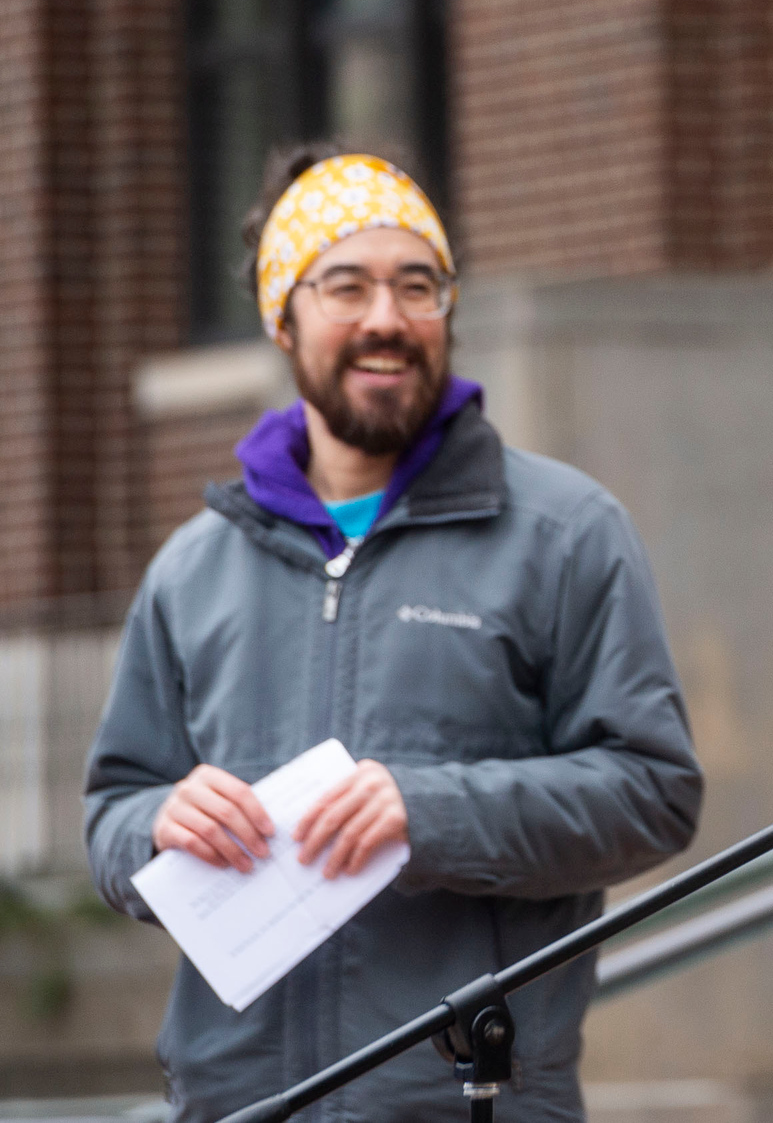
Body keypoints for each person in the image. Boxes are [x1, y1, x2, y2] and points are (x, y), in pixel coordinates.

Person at [85, 148, 704, 1122]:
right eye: (346, 285)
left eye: (418, 285)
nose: (386, 317)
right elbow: (111, 809)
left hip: (471, 1104)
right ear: (283, 316)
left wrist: (431, 811)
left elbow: (653, 792)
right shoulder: (191, 569)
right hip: (238, 1105)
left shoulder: (565, 534)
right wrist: (154, 823)